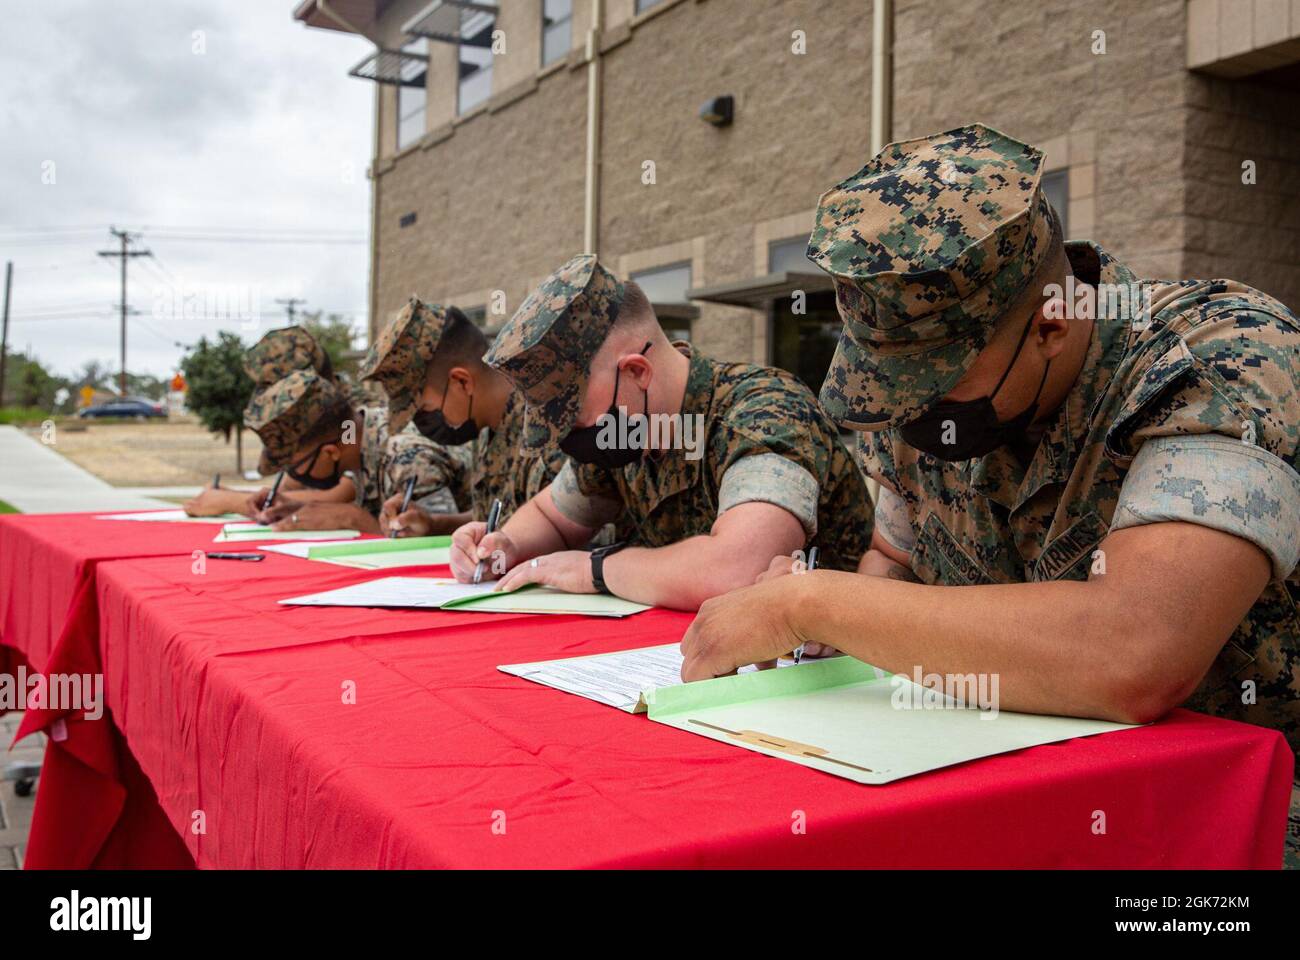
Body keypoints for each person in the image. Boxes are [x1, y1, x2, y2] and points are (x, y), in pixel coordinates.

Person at [674, 123, 1300, 863]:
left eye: (930, 386)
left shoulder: (1223, 360)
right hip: (1002, 786)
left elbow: (1135, 652)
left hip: (1222, 826)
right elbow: (894, 557)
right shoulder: (918, 408)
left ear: (1052, 325)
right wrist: (831, 636)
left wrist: (812, 603)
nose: (906, 419)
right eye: (890, 389)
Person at [448, 255, 874, 611]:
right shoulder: (625, 432)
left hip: (828, 677)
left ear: (636, 371)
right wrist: (502, 545)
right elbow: (551, 518)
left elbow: (739, 569)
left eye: (573, 416)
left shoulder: (762, 410)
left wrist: (597, 569)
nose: (569, 437)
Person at [359, 298, 565, 536]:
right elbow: (498, 519)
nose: (421, 423)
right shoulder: (487, 428)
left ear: (461, 382)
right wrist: (434, 524)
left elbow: (559, 530)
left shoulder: (550, 428)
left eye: (423, 408)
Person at [242, 366, 467, 533]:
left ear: (330, 452)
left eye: (293, 466)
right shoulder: (356, 441)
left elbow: (439, 544)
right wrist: (303, 508)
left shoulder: (409, 460)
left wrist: (355, 519)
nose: (292, 476)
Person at [184, 325, 352, 518]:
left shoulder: (349, 420)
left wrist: (230, 501)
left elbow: (344, 493)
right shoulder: (306, 413)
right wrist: (237, 496)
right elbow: (287, 489)